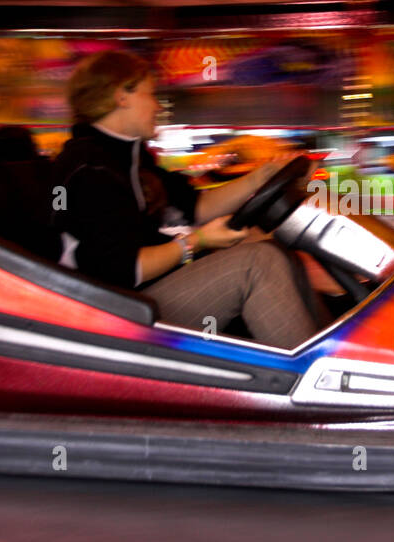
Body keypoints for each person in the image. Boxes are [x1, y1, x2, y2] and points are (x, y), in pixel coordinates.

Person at [51, 51, 319, 350]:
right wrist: (196, 242)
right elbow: (123, 269)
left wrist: (261, 177)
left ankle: (331, 354)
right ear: (121, 97)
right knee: (258, 263)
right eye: (150, 95)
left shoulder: (129, 158)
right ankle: (321, 381)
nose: (157, 105)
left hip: (134, 297)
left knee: (272, 247)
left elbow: (196, 207)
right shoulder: (90, 169)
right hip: (111, 315)